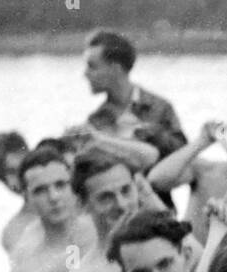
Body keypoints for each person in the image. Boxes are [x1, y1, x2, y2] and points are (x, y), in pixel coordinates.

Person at [9, 142, 99, 272]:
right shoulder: (27, 254)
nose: (54, 197)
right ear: (27, 197)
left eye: (60, 185)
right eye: (40, 190)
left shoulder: (96, 223)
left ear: (72, 185)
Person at [75, 29, 186, 171]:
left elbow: (184, 156)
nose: (85, 74)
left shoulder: (159, 108)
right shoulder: (95, 120)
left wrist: (149, 134)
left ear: (115, 69)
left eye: (92, 66)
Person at [0, 131, 37, 252]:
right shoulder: (15, 231)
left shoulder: (73, 197)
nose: (13, 182)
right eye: (5, 176)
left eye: (20, 167)